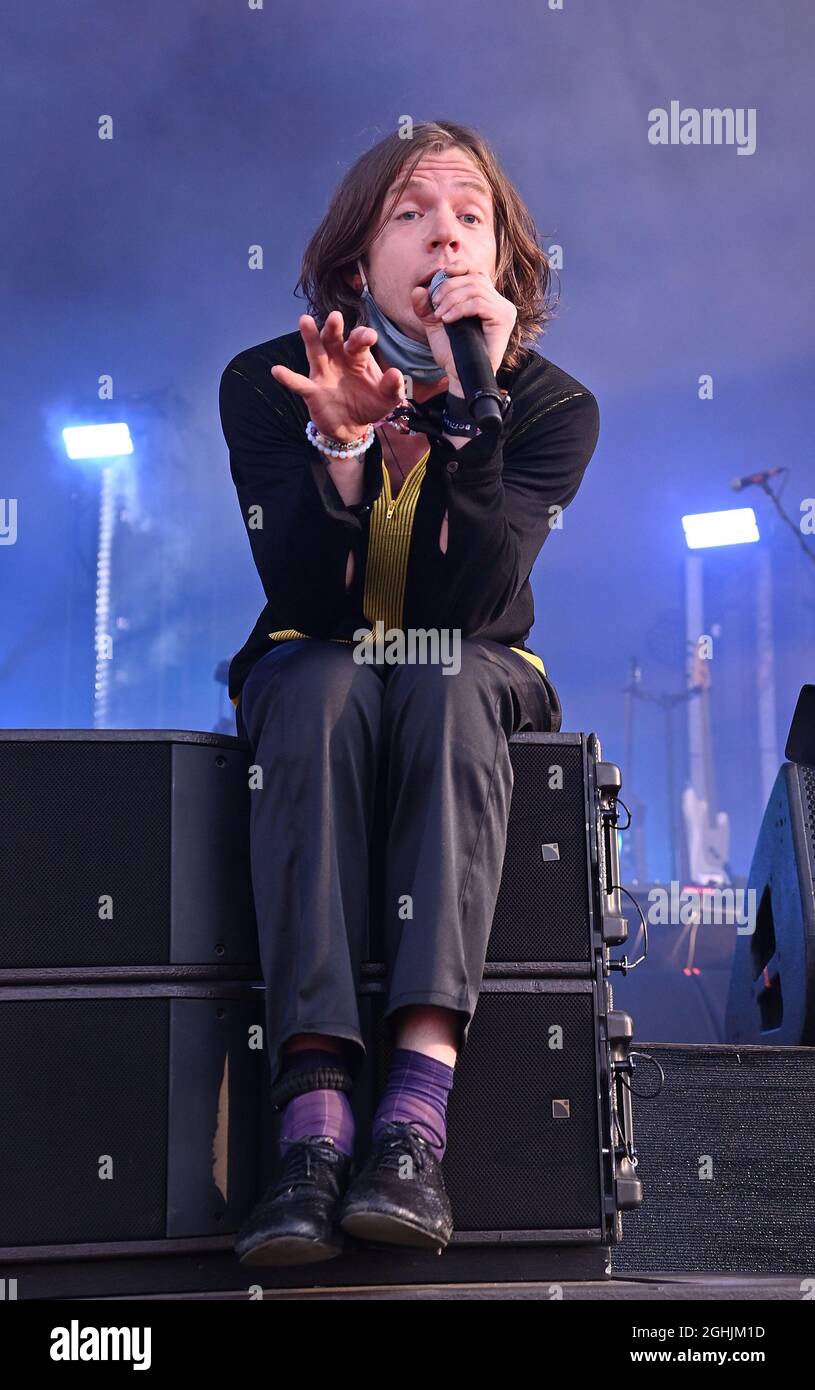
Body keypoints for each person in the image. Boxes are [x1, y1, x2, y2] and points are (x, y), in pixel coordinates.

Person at [219, 120, 600, 1267]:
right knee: (321, 679)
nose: (445, 227)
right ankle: (313, 1123)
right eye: (411, 210)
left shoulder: (547, 408)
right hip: (319, 659)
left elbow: (474, 598)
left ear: (502, 262)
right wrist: (337, 446)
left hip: (473, 667)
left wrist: (465, 423)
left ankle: (412, 1120)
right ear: (354, 262)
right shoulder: (263, 382)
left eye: (469, 213)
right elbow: (303, 593)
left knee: (438, 671)